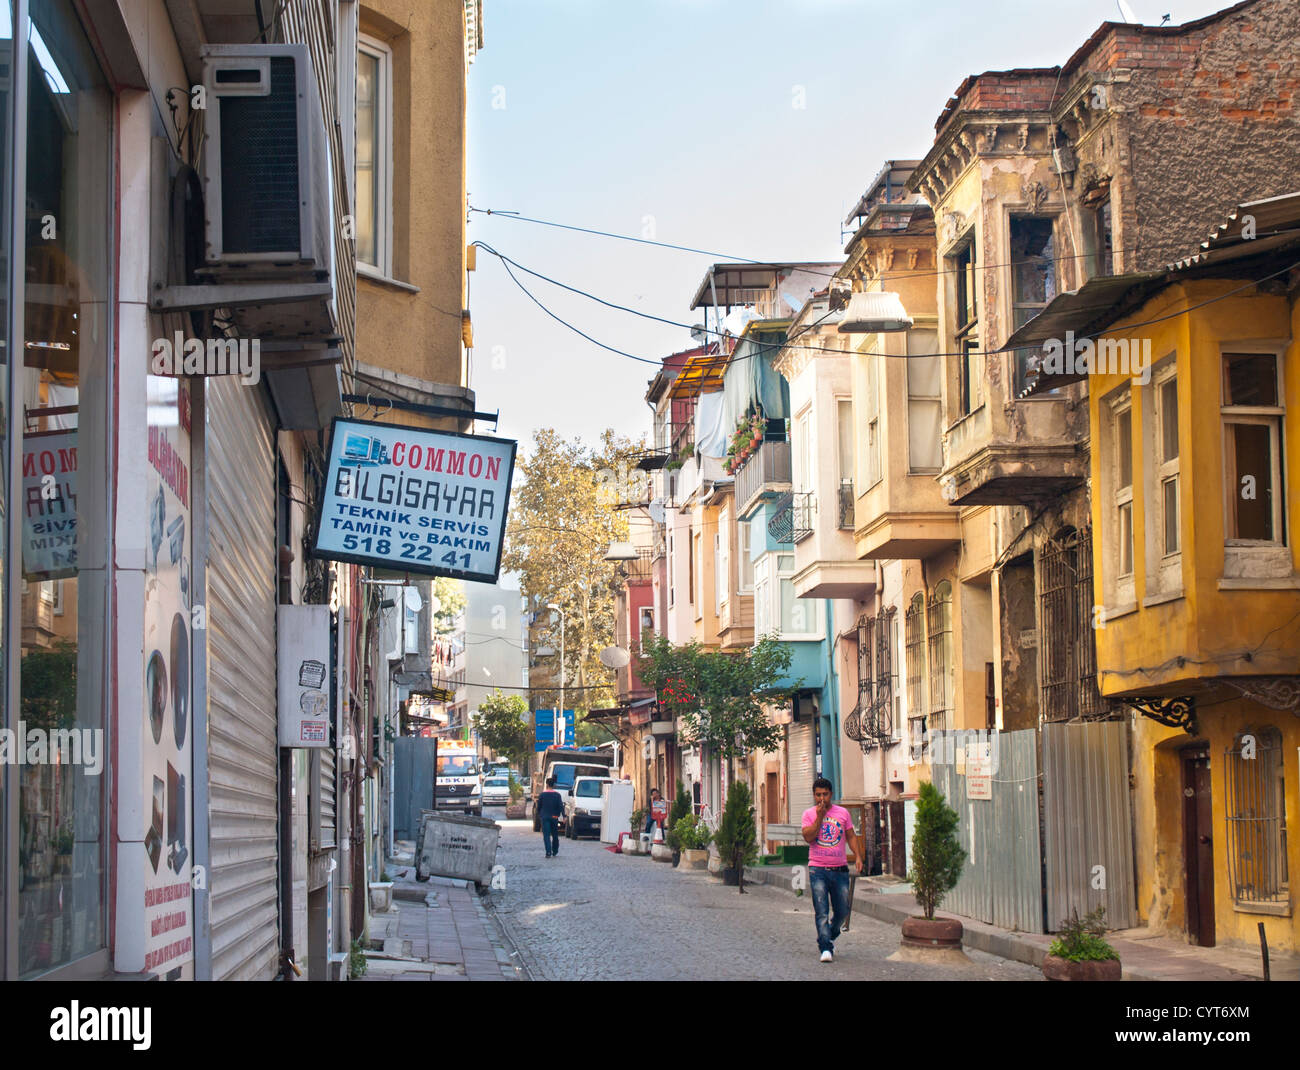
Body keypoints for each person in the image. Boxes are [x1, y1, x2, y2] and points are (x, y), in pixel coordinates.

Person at [801, 777, 864, 963]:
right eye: (818, 795)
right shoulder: (809, 814)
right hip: (817, 868)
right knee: (821, 910)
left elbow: (851, 836)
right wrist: (820, 817)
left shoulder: (843, 813)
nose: (822, 798)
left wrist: (858, 856)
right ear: (814, 795)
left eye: (825, 794)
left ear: (831, 794)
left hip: (840, 868)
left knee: (843, 910)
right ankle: (825, 948)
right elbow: (808, 837)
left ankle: (828, 935)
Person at [537, 776, 564, 858]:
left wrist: (540, 815)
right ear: (554, 785)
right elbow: (560, 806)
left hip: (545, 817)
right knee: (555, 835)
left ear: (547, 784)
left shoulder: (542, 795)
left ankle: (548, 852)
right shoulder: (557, 795)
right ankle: (555, 850)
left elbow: (539, 807)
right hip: (554, 817)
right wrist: (564, 816)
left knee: (546, 835)